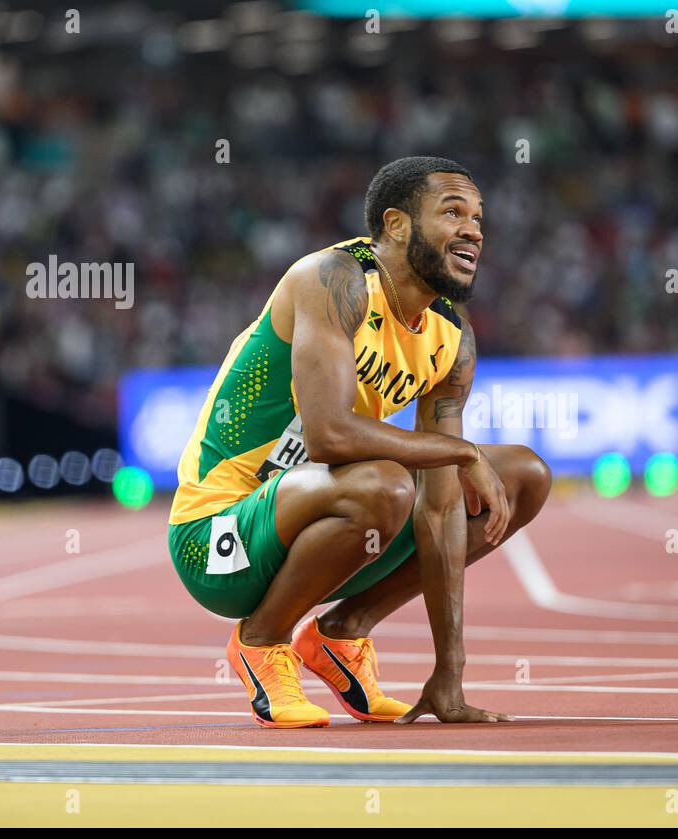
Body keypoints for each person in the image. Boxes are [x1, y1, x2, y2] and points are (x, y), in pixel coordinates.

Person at [167, 156, 552, 727]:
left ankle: (341, 634)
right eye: (452, 212)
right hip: (217, 539)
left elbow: (443, 503)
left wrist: (450, 673)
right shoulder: (332, 280)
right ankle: (260, 640)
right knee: (386, 484)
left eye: (478, 217)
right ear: (396, 225)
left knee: (523, 475)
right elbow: (328, 435)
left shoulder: (453, 337)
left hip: (328, 522)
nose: (473, 229)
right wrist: (464, 451)